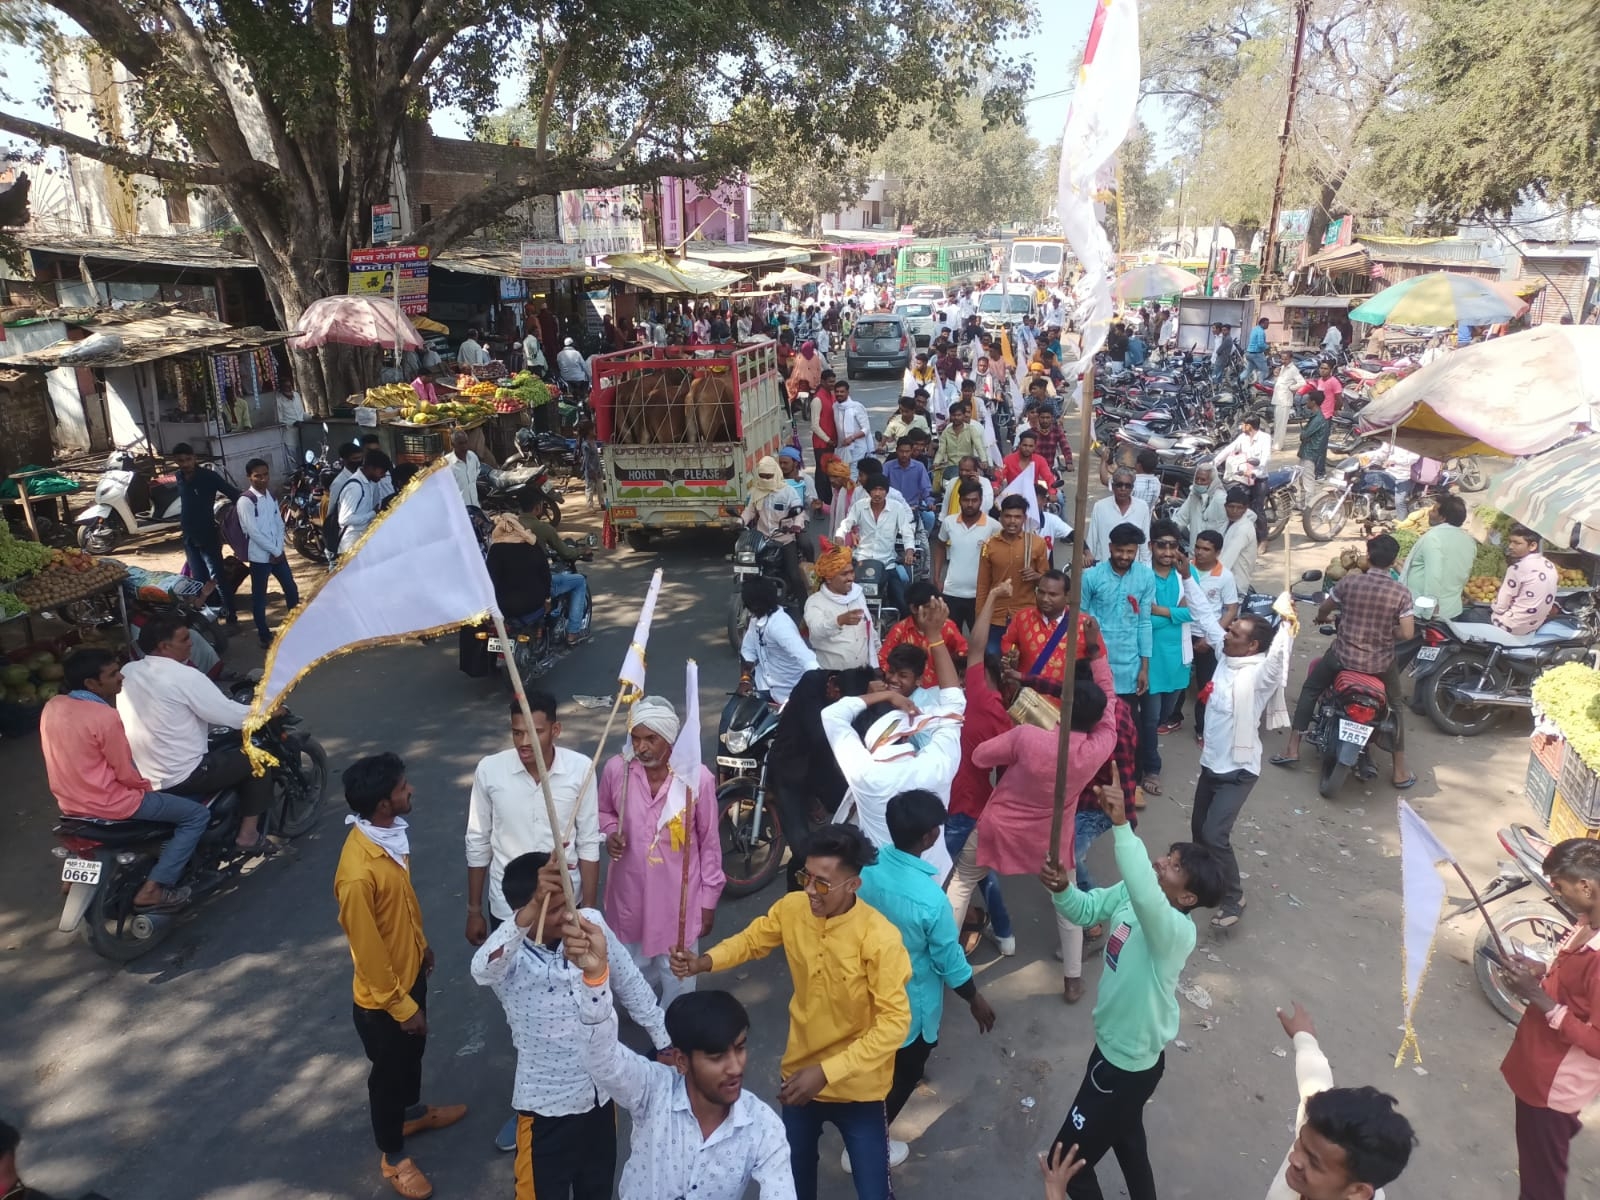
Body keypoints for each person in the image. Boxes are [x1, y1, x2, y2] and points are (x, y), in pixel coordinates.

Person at [669, 825, 912, 1200]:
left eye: (823, 883)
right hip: (799, 1076)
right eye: (806, 877)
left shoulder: (880, 940)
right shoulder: (792, 909)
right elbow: (753, 940)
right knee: (793, 1186)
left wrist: (827, 1072)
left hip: (860, 1089)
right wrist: (704, 961)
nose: (810, 891)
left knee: (875, 1192)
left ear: (853, 886)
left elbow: (894, 1025)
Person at [1039, 786, 1227, 1200]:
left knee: (1064, 1166)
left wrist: (1122, 825)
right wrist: (1061, 890)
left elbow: (1145, 889)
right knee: (1126, 1139)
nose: (1160, 863)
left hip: (1124, 1068)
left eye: (1173, 867)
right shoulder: (1132, 894)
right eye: (1167, 857)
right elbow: (1087, 910)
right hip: (1113, 1051)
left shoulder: (1176, 932)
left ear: (1188, 898)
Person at [472, 853, 670, 1200]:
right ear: (526, 912)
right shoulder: (510, 957)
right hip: (545, 1111)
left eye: (568, 900)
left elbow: (632, 985)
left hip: (600, 1099)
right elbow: (480, 969)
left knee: (596, 1191)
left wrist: (664, 1041)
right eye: (553, 906)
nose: (568, 915)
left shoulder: (590, 925)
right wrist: (531, 909)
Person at [558, 918, 795, 1200]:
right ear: (681, 1061)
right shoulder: (652, 1090)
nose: (736, 1066)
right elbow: (601, 1057)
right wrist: (596, 978)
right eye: (717, 1057)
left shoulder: (763, 1127)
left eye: (740, 1048)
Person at [336, 752, 465, 1200]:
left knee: (413, 1057)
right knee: (387, 1078)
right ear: (384, 804)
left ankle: (412, 1113)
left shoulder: (387, 837)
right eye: (403, 787)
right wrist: (403, 1007)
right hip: (384, 1002)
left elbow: (400, 909)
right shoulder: (357, 873)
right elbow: (368, 953)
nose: (411, 790)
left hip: (410, 975)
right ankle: (393, 1156)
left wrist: (421, 945)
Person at [962, 655, 1119, 1004]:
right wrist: (1099, 658)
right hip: (1049, 840)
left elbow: (980, 758)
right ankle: (1073, 980)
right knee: (1067, 903)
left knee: (961, 884)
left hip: (999, 828)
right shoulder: (1098, 747)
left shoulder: (1028, 737)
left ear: (1061, 707)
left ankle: (943, 962)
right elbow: (1109, 706)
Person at [857, 790, 996, 1163]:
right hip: (910, 1002)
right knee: (907, 1068)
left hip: (867, 989)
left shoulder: (867, 868)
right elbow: (949, 959)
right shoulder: (930, 899)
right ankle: (870, 1142)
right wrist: (974, 998)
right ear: (929, 838)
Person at [41, 648, 210, 913]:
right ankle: (154, 888)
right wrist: (147, 787)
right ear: (91, 684)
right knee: (196, 816)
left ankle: (72, 879)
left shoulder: (53, 707)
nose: (121, 677)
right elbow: (125, 771)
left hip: (70, 804)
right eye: (112, 674)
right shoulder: (105, 717)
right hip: (112, 803)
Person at [820, 598, 964, 869]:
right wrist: (935, 637)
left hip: (877, 881)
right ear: (907, 735)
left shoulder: (863, 772)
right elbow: (955, 703)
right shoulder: (935, 766)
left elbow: (832, 715)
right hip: (931, 881)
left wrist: (885, 696)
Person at [599, 696, 724, 1006]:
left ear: (669, 740)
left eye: (650, 739)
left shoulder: (697, 780)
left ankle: (672, 1045)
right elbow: (602, 813)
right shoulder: (619, 770)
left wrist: (708, 901)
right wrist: (610, 833)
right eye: (636, 738)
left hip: (678, 903)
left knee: (678, 982)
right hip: (629, 899)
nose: (641, 747)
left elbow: (709, 844)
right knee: (629, 978)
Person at [465, 695, 601, 968]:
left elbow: (588, 842)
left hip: (562, 907)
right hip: (507, 909)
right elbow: (477, 840)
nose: (524, 742)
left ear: (556, 730)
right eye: (517, 733)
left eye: (535, 732)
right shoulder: (489, 771)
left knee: (569, 983)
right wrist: (474, 910)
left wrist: (588, 910)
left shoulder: (581, 769)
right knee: (513, 988)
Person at [117, 615, 273, 853]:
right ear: (164, 646)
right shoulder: (185, 676)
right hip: (182, 775)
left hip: (142, 772)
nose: (191, 643)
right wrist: (268, 710)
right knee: (259, 760)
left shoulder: (128, 670)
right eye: (185, 639)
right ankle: (248, 836)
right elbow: (230, 715)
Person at [1500, 837, 1600, 1200]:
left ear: (1586, 887)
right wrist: (1540, 972)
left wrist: (1538, 997)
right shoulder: (1588, 922)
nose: (1557, 893)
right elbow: (1575, 991)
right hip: (1540, 1068)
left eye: (1559, 886)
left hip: (1553, 1088)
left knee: (1541, 1186)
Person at [1274, 535, 1415, 788]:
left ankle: (1292, 747)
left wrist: (1321, 618)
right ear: (1394, 561)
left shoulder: (1350, 583)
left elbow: (1325, 608)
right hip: (1381, 664)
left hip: (1342, 658)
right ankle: (1400, 770)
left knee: (1311, 689)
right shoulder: (1402, 593)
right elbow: (1406, 633)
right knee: (1395, 706)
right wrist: (1387, 630)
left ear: (1368, 557)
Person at [1191, 611, 1292, 929]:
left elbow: (1276, 660)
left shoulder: (1259, 674)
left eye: (1235, 634)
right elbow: (1206, 618)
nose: (1227, 634)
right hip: (1211, 764)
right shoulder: (1226, 656)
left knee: (1214, 835)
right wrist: (1189, 578)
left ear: (1252, 647)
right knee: (1198, 832)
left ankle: (1234, 897)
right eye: (1230, 629)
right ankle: (1202, 883)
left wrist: (1287, 627)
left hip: (1238, 771)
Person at [1267, 1002, 1416, 1200]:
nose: (1294, 1158)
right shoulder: (1319, 1134)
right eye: (1300, 1142)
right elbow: (1314, 1078)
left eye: (1313, 1161)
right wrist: (1304, 1037)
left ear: (1357, 1191)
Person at [170, 442, 241, 627]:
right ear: (175, 461)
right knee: (200, 580)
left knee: (217, 578)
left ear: (194, 458)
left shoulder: (209, 477)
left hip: (208, 535)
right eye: (180, 461)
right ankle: (210, 616)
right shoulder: (178, 476)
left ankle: (231, 617)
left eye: (188, 459)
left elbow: (234, 495)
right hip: (189, 537)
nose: (185, 464)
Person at [1179, 530, 1240, 739]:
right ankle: (1173, 718)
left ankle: (1202, 730)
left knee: (1206, 685)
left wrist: (1212, 637)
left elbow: (1231, 609)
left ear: (1218, 552)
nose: (1200, 552)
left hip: (1208, 637)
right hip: (1183, 631)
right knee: (1179, 679)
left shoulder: (1225, 576)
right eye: (1197, 547)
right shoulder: (1184, 568)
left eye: (1206, 549)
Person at [236, 457, 300, 649]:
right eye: (257, 476)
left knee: (291, 589)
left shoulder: (271, 496)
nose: (263, 479)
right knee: (259, 597)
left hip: (277, 555)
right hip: (260, 557)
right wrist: (273, 550)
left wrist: (279, 549)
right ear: (249, 477)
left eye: (265, 475)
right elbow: (253, 532)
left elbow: (279, 523)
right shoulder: (245, 501)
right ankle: (264, 635)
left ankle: (295, 627)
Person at [975, 494, 1050, 656]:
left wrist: (1037, 576)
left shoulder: (1037, 544)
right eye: (1008, 516)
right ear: (1001, 518)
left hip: (1026, 616)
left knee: (1026, 661)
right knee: (993, 661)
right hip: (995, 617)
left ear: (1024, 519)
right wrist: (980, 618)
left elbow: (1049, 584)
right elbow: (982, 585)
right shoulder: (989, 545)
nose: (1012, 521)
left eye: (1017, 517)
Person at [836, 474, 915, 618]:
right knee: (840, 598)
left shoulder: (897, 508)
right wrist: (839, 540)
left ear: (886, 491)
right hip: (861, 560)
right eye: (874, 489)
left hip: (887, 563)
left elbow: (907, 533)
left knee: (903, 603)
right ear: (868, 491)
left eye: (881, 489)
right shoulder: (859, 506)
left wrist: (909, 552)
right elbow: (845, 525)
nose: (877, 493)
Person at [738, 577, 818, 704]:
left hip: (790, 695)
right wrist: (745, 679)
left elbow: (808, 660)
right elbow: (747, 653)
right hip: (764, 688)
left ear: (754, 604)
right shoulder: (756, 620)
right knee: (730, 716)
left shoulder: (780, 626)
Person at [743, 455, 811, 604]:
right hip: (762, 539)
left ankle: (805, 609)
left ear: (776, 473)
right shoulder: (755, 491)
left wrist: (797, 525)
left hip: (784, 539)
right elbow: (750, 511)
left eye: (769, 476)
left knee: (794, 575)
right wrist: (739, 520)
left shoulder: (787, 491)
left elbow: (798, 512)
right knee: (750, 570)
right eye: (762, 476)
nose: (766, 479)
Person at [933, 478, 996, 633]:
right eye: (966, 500)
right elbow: (940, 546)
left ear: (981, 501)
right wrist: (937, 577)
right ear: (959, 500)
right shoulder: (949, 522)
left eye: (974, 500)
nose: (970, 504)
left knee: (979, 643)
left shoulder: (994, 526)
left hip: (979, 596)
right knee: (951, 642)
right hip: (951, 592)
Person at [879, 579, 969, 687]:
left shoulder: (947, 627)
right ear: (914, 608)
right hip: (908, 692)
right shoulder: (899, 630)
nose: (935, 610)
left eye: (937, 605)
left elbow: (964, 652)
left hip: (941, 689)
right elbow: (882, 659)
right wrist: (898, 679)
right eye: (929, 606)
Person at [1401, 495, 1476, 620]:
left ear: (1443, 518)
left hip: (1428, 613)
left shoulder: (1433, 538)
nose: (1429, 512)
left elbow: (1434, 577)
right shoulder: (1469, 541)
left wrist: (1428, 613)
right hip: (1452, 609)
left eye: (1434, 510)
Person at [1493, 524, 1560, 636]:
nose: (1510, 546)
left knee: (1473, 616)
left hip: (1512, 626)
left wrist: (1493, 606)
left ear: (1532, 546)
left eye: (1517, 543)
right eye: (1510, 542)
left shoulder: (1516, 569)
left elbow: (1501, 607)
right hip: (1535, 625)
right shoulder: (1550, 565)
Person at [1085, 468, 1152, 566]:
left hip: (1131, 569)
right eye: (1119, 485)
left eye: (1127, 486)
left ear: (1132, 488)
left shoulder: (1142, 507)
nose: (1123, 489)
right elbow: (1092, 539)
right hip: (1104, 567)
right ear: (1113, 486)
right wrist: (1088, 568)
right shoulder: (1100, 506)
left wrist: (1146, 570)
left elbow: (1144, 543)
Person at [336, 448, 392, 557]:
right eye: (382, 472)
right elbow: (344, 519)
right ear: (371, 468)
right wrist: (373, 514)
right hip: (350, 548)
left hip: (362, 545)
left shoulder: (371, 483)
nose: (383, 476)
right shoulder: (355, 487)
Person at [1172, 461, 1227, 546]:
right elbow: (1181, 519)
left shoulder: (1221, 499)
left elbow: (1223, 528)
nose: (1199, 482)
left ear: (1212, 481)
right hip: (1194, 551)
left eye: (1203, 480)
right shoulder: (1194, 495)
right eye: (1197, 479)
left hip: (1213, 553)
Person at [1219, 486, 1259, 595]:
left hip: (1234, 586)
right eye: (1231, 507)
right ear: (1225, 506)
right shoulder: (1230, 523)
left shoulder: (1243, 529)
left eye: (1239, 508)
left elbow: (1226, 561)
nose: (1234, 511)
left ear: (1246, 508)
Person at [1214, 417, 1272, 487]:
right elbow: (1228, 450)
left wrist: (1254, 472)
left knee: (1258, 497)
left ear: (1249, 426)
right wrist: (1213, 464)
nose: (1241, 427)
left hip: (1258, 478)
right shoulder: (1243, 437)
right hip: (1243, 477)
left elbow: (1266, 458)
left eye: (1243, 424)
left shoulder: (1265, 438)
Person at [832, 382, 873, 480]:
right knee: (842, 476)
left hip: (857, 448)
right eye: (837, 392)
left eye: (842, 391)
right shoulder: (835, 407)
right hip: (842, 448)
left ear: (847, 392)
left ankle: (851, 495)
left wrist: (851, 438)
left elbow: (866, 429)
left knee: (853, 476)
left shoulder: (856, 407)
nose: (839, 394)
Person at [810, 372, 839, 506]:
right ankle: (821, 500)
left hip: (831, 442)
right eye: (830, 382)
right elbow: (814, 426)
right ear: (822, 382)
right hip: (822, 443)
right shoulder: (817, 400)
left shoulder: (832, 395)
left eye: (834, 381)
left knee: (829, 472)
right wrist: (828, 439)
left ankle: (828, 500)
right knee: (822, 474)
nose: (832, 384)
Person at [1271, 350, 1304, 451]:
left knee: (1281, 425)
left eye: (1286, 359)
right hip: (1278, 399)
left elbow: (1302, 382)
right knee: (1277, 423)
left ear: (1290, 359)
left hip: (1285, 400)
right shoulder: (1282, 368)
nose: (1283, 361)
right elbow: (1279, 382)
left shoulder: (1293, 369)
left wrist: (1291, 388)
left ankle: (1278, 446)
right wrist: (1276, 375)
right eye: (1282, 359)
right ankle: (1276, 443)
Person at [445, 428, 481, 512]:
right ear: (453, 445)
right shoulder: (447, 464)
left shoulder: (472, 457)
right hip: (460, 512)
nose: (464, 446)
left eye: (465, 442)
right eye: (460, 444)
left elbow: (477, 471)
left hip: (476, 509)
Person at [1245, 316, 1271, 385]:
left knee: (1248, 371)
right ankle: (1261, 385)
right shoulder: (1261, 331)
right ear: (1262, 323)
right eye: (1267, 324)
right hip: (1256, 354)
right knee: (1264, 371)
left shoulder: (1255, 329)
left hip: (1249, 353)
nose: (1268, 325)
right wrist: (1268, 347)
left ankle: (1239, 381)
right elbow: (1261, 344)